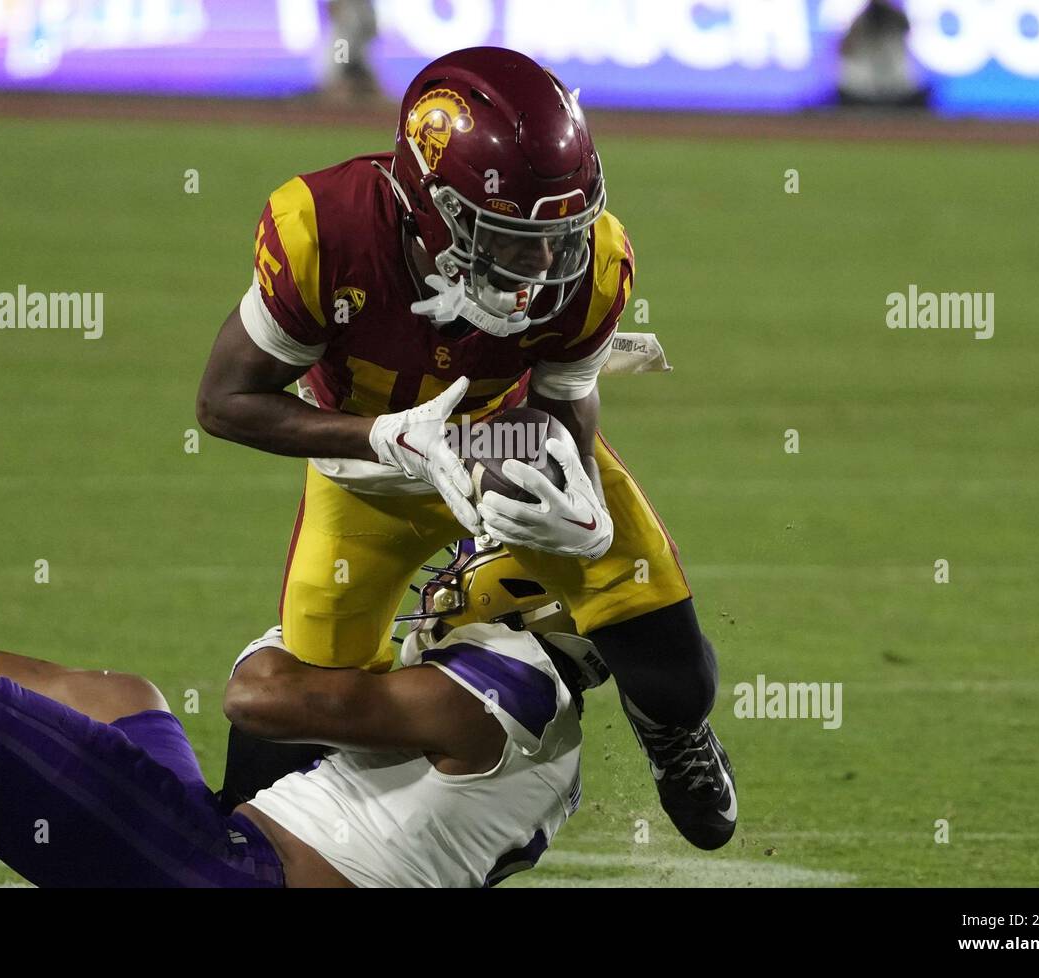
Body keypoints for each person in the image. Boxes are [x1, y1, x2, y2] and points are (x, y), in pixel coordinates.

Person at [196, 46, 735, 848]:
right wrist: (381, 435)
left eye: (561, 233)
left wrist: (574, 492)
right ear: (432, 206)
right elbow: (223, 402)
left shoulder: (594, 266)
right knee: (284, 739)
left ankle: (671, 732)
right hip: (368, 478)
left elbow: (561, 403)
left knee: (677, 673)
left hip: (507, 450)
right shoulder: (323, 232)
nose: (548, 262)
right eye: (514, 237)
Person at [0, 506, 592, 887]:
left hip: (234, 874)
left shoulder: (513, 678)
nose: (447, 583)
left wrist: (328, 607)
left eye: (474, 564)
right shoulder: (540, 710)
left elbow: (255, 699)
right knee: (122, 696)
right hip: (237, 851)